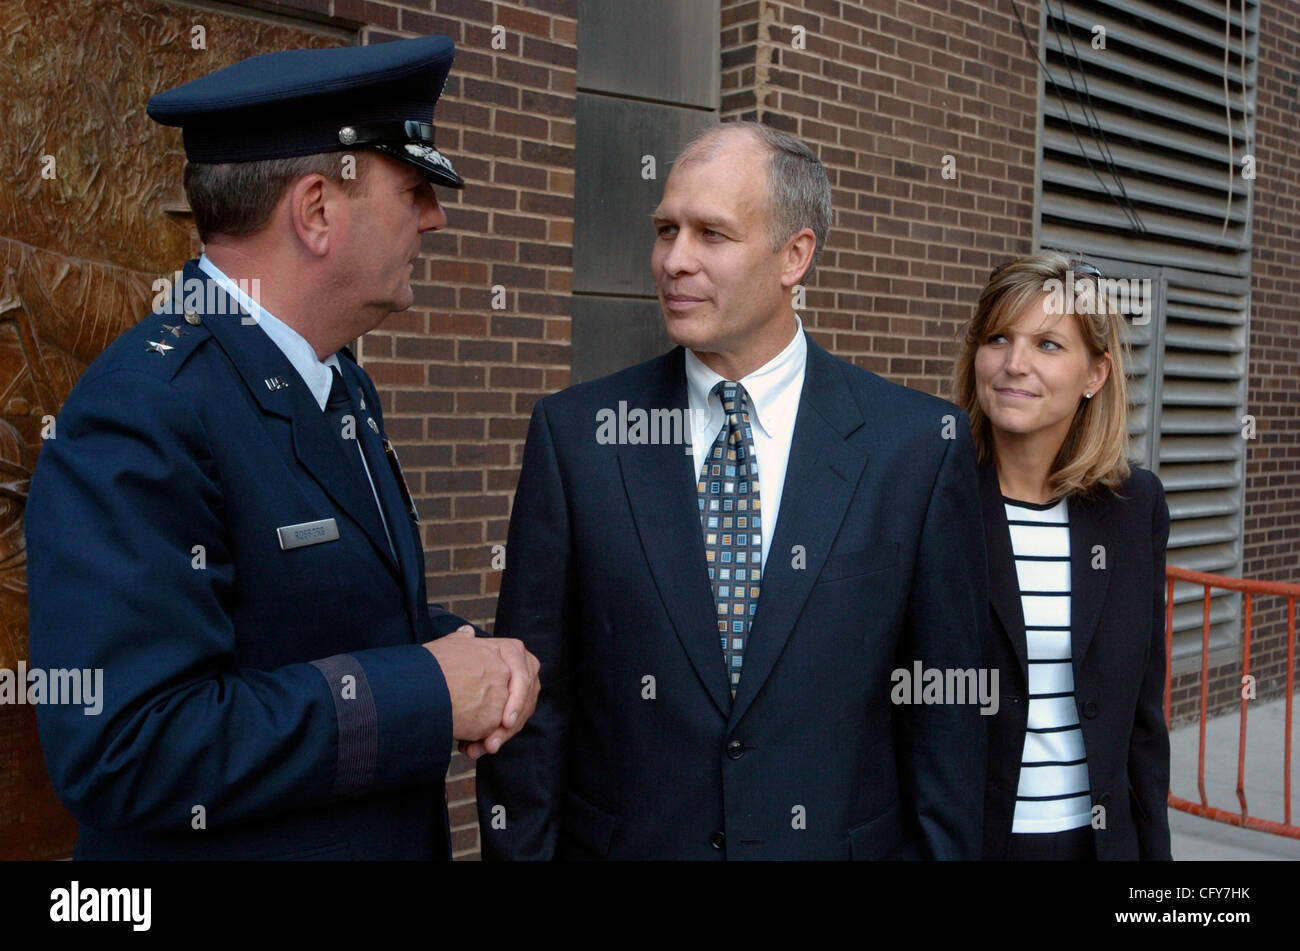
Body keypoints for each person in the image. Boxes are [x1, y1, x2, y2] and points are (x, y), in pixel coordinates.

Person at [25, 35, 539, 860]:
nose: (435, 218)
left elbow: (312, 620)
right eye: (412, 189)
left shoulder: (332, 380)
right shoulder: (144, 410)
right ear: (317, 211)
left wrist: (468, 653)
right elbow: (128, 746)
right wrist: (429, 693)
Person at [475, 122, 988, 860]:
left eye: (711, 234)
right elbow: (534, 708)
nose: (673, 261)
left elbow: (945, 723)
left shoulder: (916, 448)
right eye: (665, 229)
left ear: (795, 256)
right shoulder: (578, 435)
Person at [953, 252, 1171, 860]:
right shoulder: (932, 500)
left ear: (1095, 374)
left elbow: (1143, 721)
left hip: (1097, 846)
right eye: (998, 338)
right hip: (970, 842)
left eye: (1048, 344)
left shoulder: (1134, 507)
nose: (1014, 364)